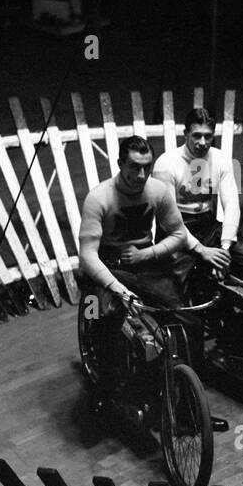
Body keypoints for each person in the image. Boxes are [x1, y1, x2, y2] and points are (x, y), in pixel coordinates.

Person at [78, 136, 195, 376]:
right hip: (106, 265)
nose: (142, 174)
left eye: (147, 167)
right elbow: (87, 256)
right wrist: (118, 288)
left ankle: (188, 385)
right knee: (102, 317)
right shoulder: (99, 197)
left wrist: (146, 254)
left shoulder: (158, 191)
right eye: (134, 167)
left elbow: (179, 234)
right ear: (120, 164)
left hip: (145, 261)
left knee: (186, 317)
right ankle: (103, 391)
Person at [153, 107, 243, 284]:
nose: (202, 142)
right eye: (196, 135)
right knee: (182, 283)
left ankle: (226, 303)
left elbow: (231, 204)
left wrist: (223, 250)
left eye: (208, 136)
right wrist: (201, 250)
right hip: (176, 230)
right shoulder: (166, 164)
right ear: (186, 134)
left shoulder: (221, 159)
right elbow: (168, 220)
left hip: (207, 225)